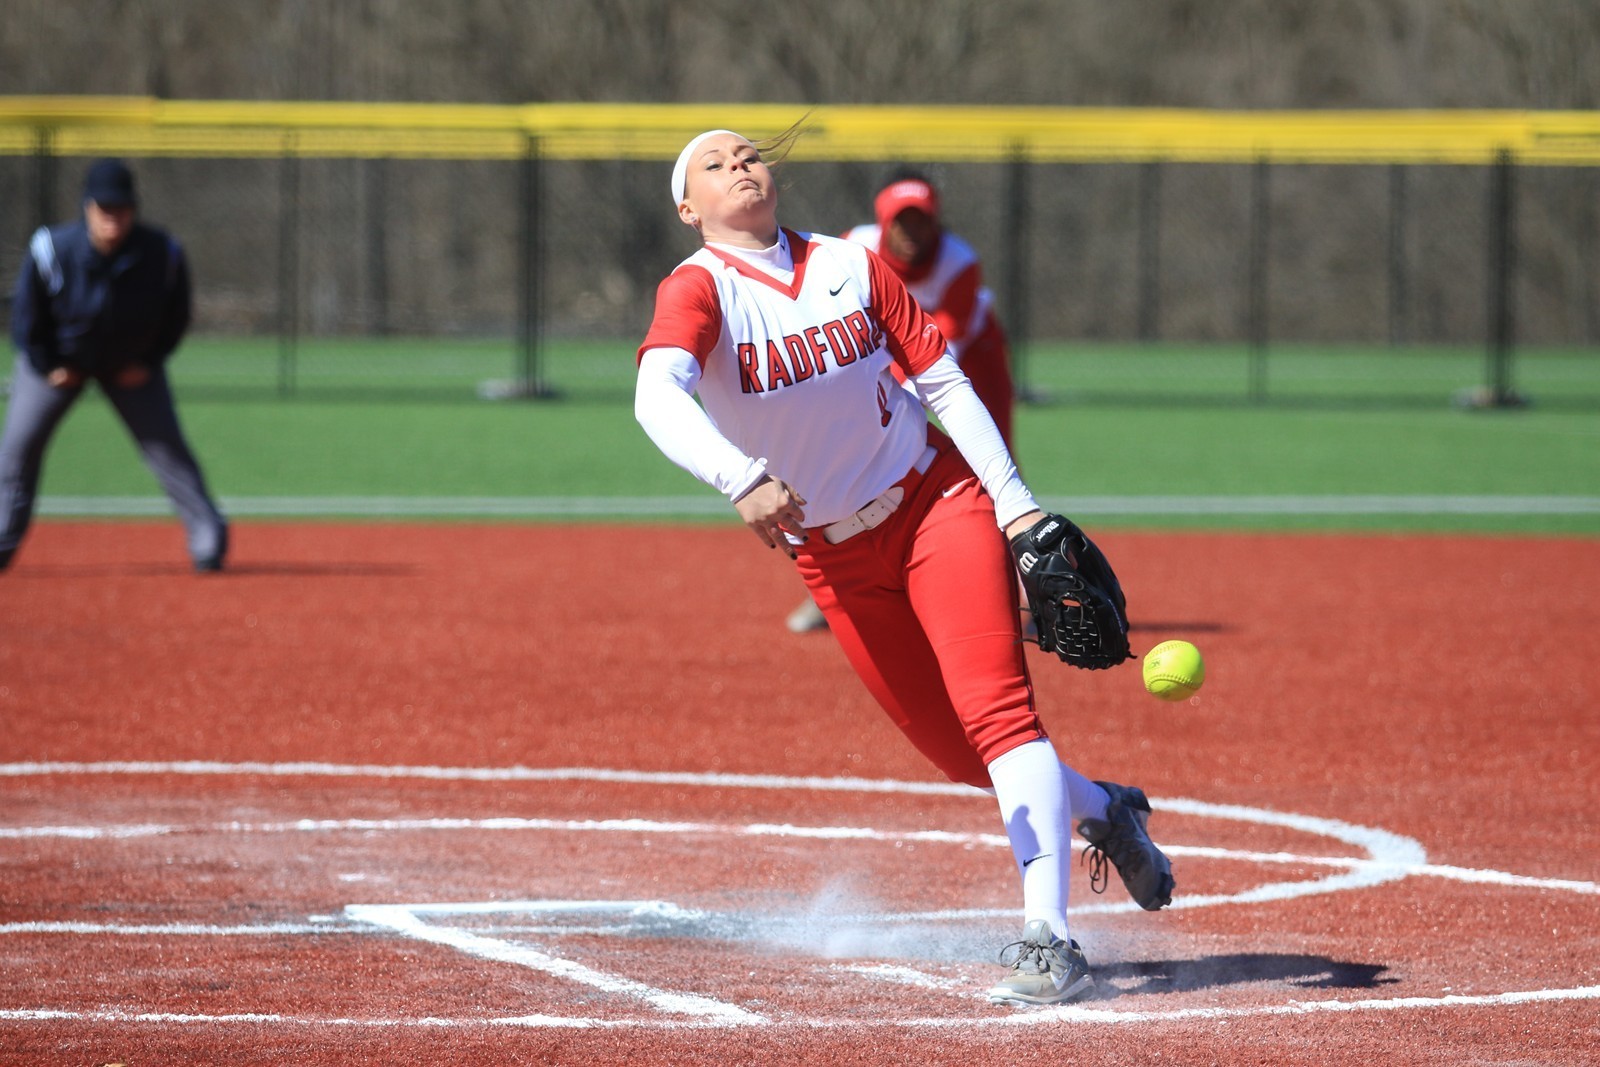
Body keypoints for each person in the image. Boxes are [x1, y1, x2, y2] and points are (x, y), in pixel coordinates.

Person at [635, 128, 1173, 1007]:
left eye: (749, 153)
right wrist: (738, 478)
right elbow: (656, 393)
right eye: (714, 162)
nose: (740, 164)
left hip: (935, 506)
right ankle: (1107, 808)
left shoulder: (851, 264)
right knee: (960, 754)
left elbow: (943, 381)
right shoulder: (700, 289)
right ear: (688, 208)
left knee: (999, 716)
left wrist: (1014, 504)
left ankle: (1052, 937)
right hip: (834, 559)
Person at [787, 170, 1018, 634]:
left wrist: (891, 403)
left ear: (937, 222)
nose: (912, 234)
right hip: (884, 355)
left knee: (993, 461)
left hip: (972, 355)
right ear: (882, 222)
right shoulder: (853, 247)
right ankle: (835, 593)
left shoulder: (958, 262)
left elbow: (939, 355)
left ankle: (1019, 594)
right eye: (901, 222)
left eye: (922, 222)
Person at [1, 158, 227, 573]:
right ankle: (1, 540)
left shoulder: (162, 253)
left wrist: (148, 361)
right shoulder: (52, 248)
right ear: (86, 208)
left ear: (133, 210)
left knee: (167, 449)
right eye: (104, 209)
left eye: (121, 209)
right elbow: (26, 319)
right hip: (57, 365)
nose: (113, 218)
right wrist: (49, 364)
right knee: (16, 452)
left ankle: (208, 541)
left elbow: (177, 316)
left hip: (130, 366)